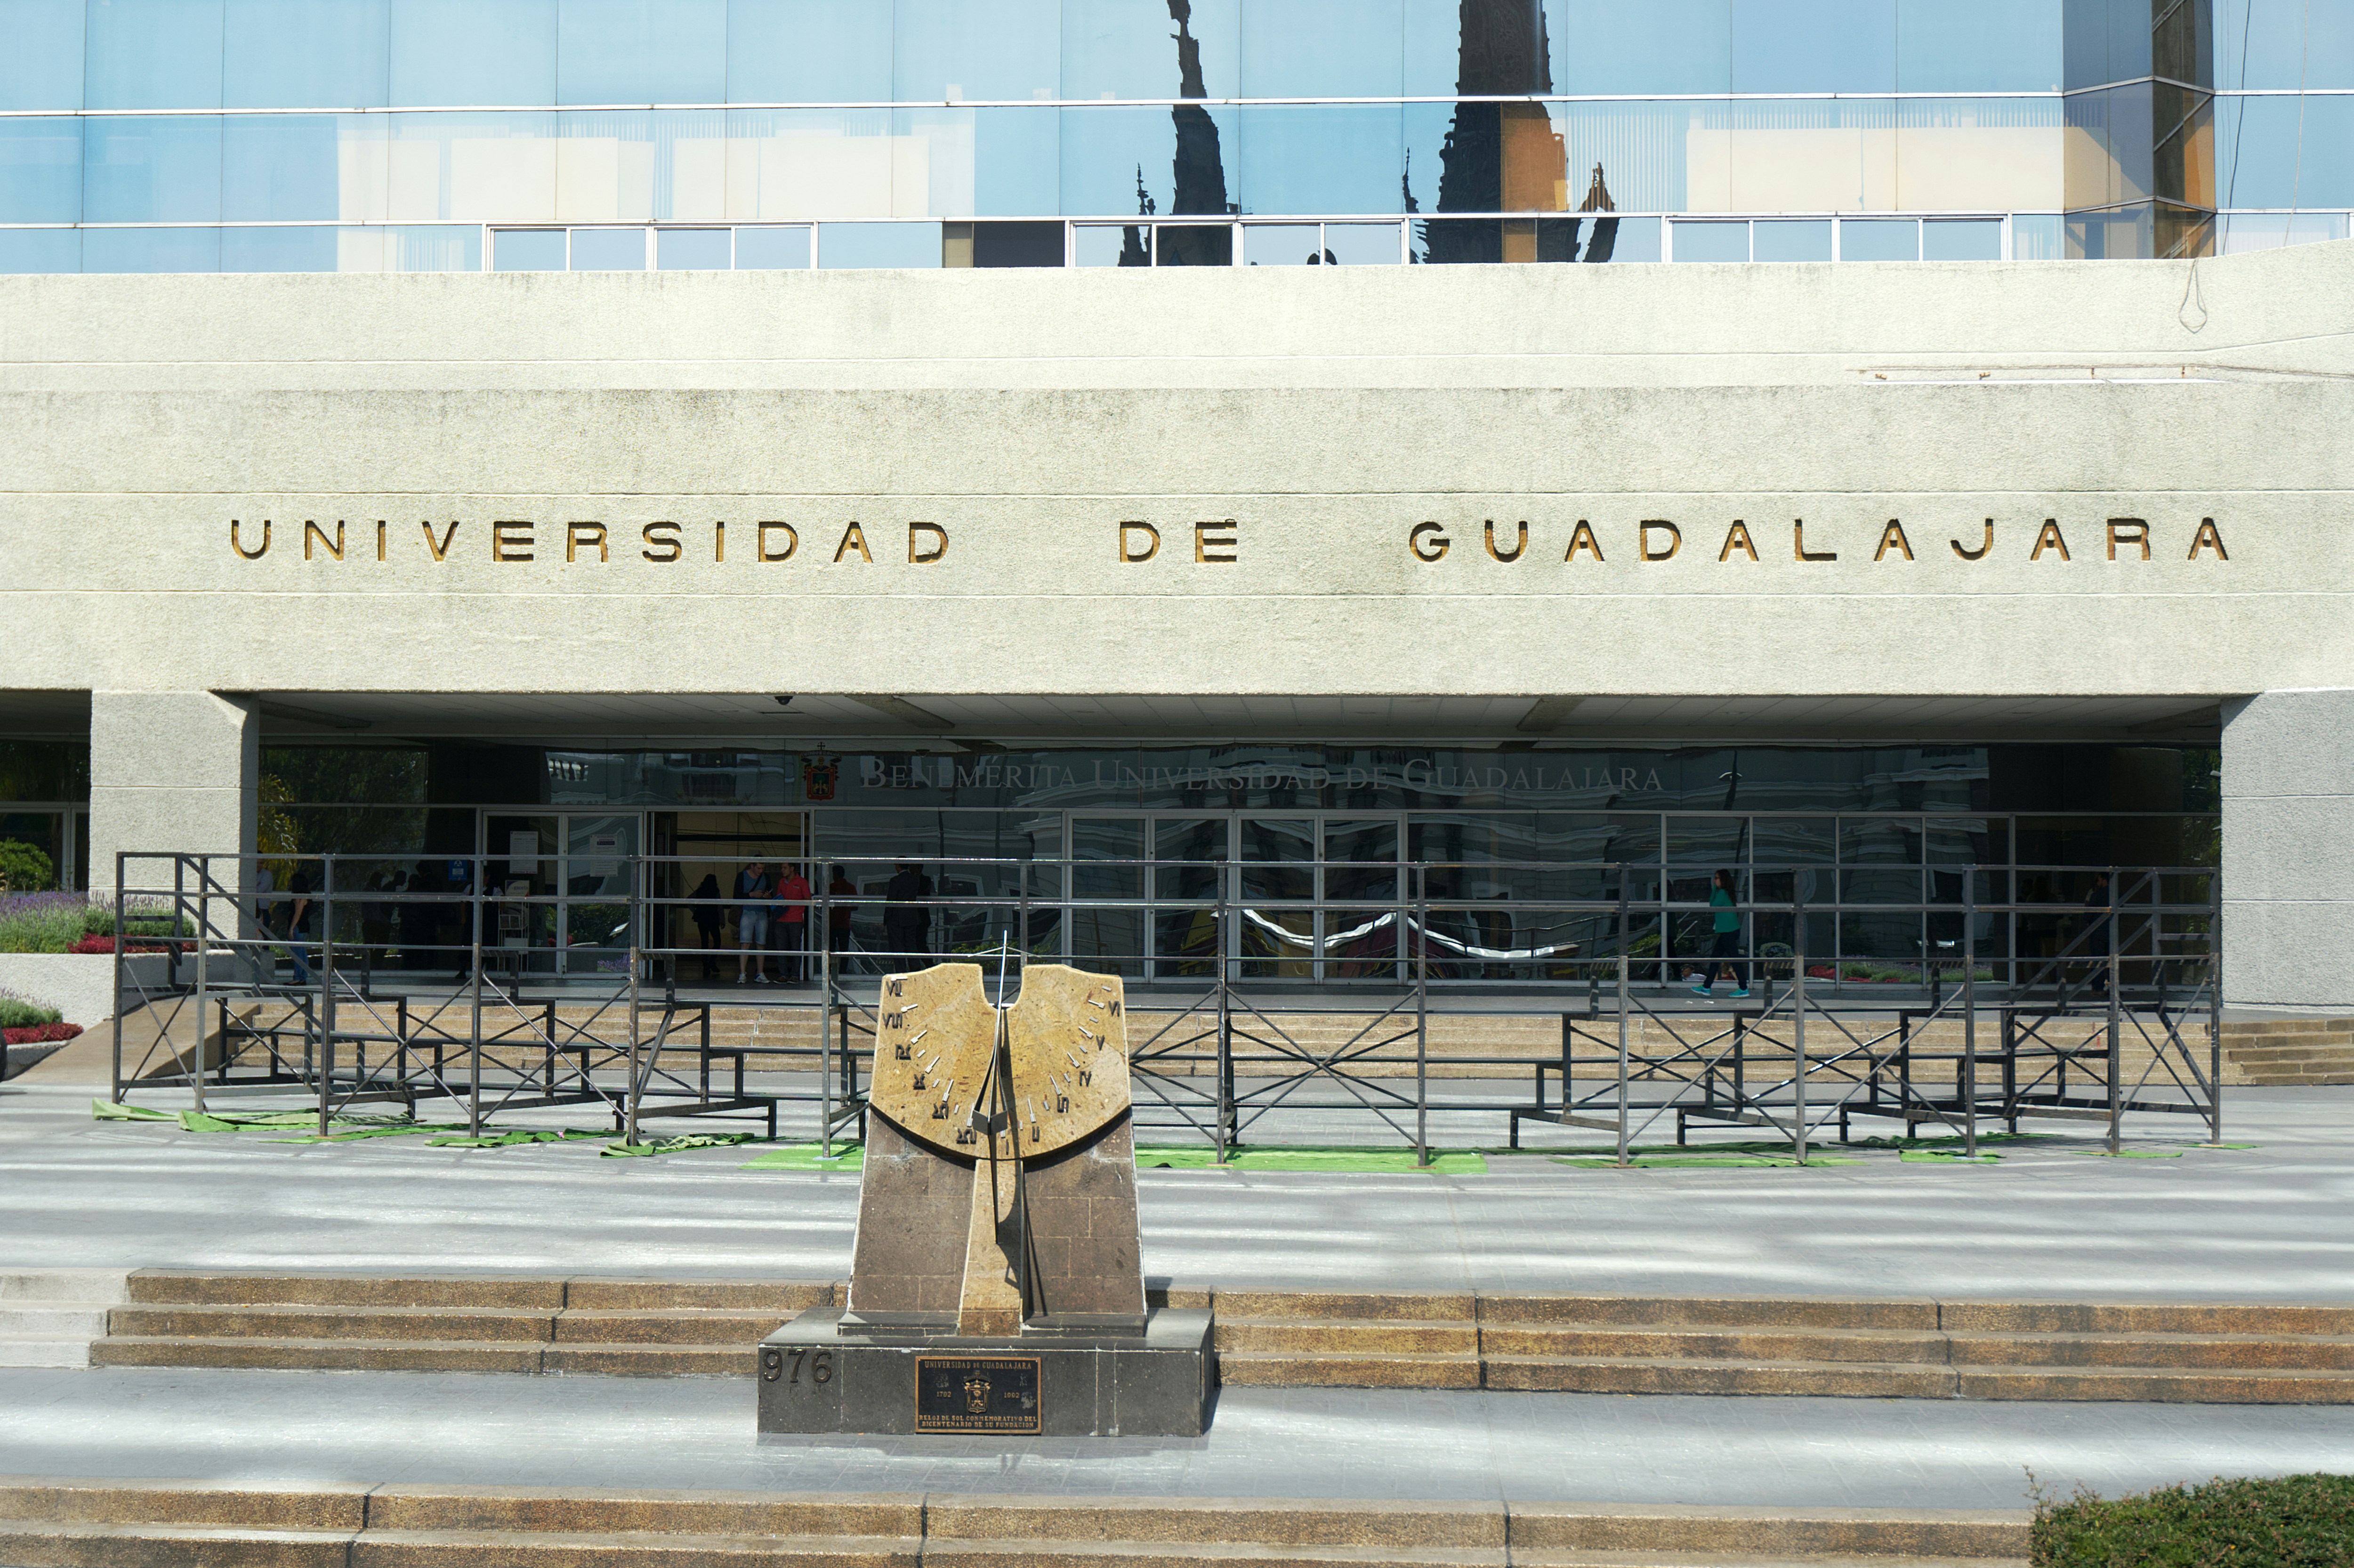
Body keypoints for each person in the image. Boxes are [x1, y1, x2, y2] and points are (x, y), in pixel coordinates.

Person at [1691, 869, 1748, 998]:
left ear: (1722, 880)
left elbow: (1713, 905)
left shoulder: (1722, 892)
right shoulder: (1727, 892)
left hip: (1728, 931)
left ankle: (1744, 987)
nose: (1715, 880)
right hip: (1728, 931)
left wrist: (1713, 890)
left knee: (1734, 960)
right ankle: (1707, 986)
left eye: (1717, 878)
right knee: (1715, 959)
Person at [882, 860, 933, 961]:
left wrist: (887, 918)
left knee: (902, 946)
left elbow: (891, 899)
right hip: (912, 917)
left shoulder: (898, 880)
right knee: (912, 945)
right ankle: (915, 969)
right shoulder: (914, 880)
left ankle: (908, 969)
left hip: (903, 918)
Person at [734, 860, 773, 983]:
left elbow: (771, 893)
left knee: (761, 943)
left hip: (762, 912)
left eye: (763, 868)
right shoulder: (742, 876)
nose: (761, 871)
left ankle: (760, 973)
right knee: (745, 943)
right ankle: (742, 973)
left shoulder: (766, 877)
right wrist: (752, 894)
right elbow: (736, 896)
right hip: (747, 912)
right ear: (752, 866)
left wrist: (769, 898)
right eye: (759, 868)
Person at [774, 862, 812, 983]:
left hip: (796, 920)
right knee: (781, 948)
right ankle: (783, 975)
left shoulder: (802, 882)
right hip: (781, 919)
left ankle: (795, 975)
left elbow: (808, 900)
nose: (782, 870)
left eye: (785, 868)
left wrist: (794, 904)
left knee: (796, 947)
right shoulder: (781, 882)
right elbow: (779, 898)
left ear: (792, 869)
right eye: (782, 868)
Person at [2081, 869, 2113, 996]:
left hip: (2098, 932)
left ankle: (2098, 988)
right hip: (2111, 932)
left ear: (2104, 881)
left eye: (2099, 880)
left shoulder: (2097, 895)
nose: (2097, 883)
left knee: (2098, 961)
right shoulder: (2117, 896)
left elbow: (2088, 915)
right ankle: (2112, 988)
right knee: (2112, 961)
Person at [688, 872, 724, 979]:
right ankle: (712, 962)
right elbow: (720, 907)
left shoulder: (700, 891)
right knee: (717, 941)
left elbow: (689, 901)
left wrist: (695, 911)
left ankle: (706, 965)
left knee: (705, 943)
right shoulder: (715, 891)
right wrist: (722, 920)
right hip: (713, 919)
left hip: (702, 920)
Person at [827, 864, 857, 971]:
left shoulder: (831, 887)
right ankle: (843, 971)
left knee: (830, 950)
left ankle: (829, 970)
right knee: (844, 950)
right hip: (845, 923)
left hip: (833, 923)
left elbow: (826, 906)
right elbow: (855, 906)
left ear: (836, 874)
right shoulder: (851, 887)